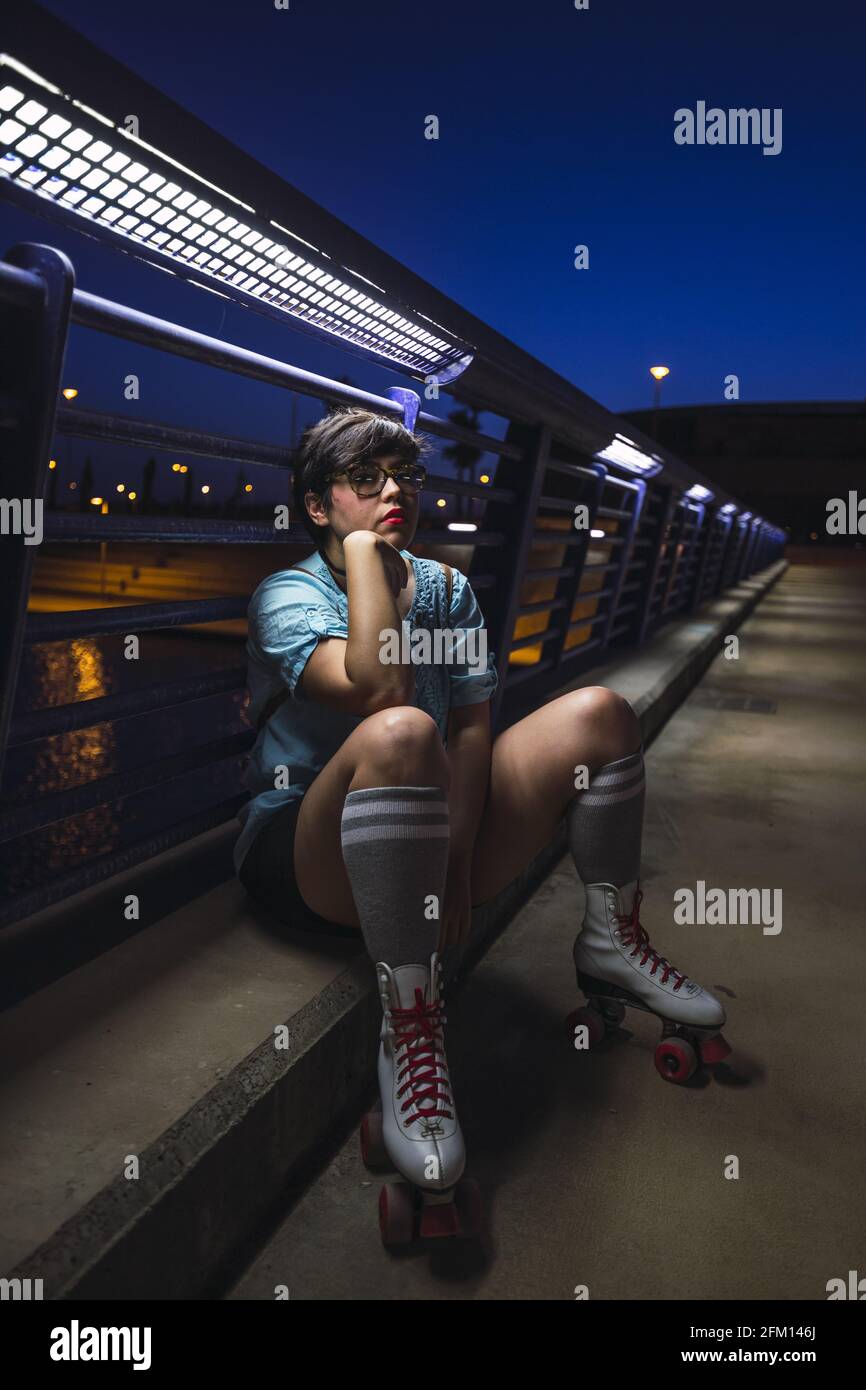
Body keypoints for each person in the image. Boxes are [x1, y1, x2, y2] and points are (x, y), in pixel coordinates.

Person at [234, 406, 725, 1217]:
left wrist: (457, 863)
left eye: (406, 478)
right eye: (367, 480)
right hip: (304, 853)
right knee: (399, 730)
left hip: (425, 843)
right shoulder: (286, 597)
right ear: (318, 505)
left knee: (598, 714)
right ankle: (412, 1033)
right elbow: (380, 689)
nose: (397, 492)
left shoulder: (447, 589)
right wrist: (364, 553)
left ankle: (611, 940)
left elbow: (471, 730)